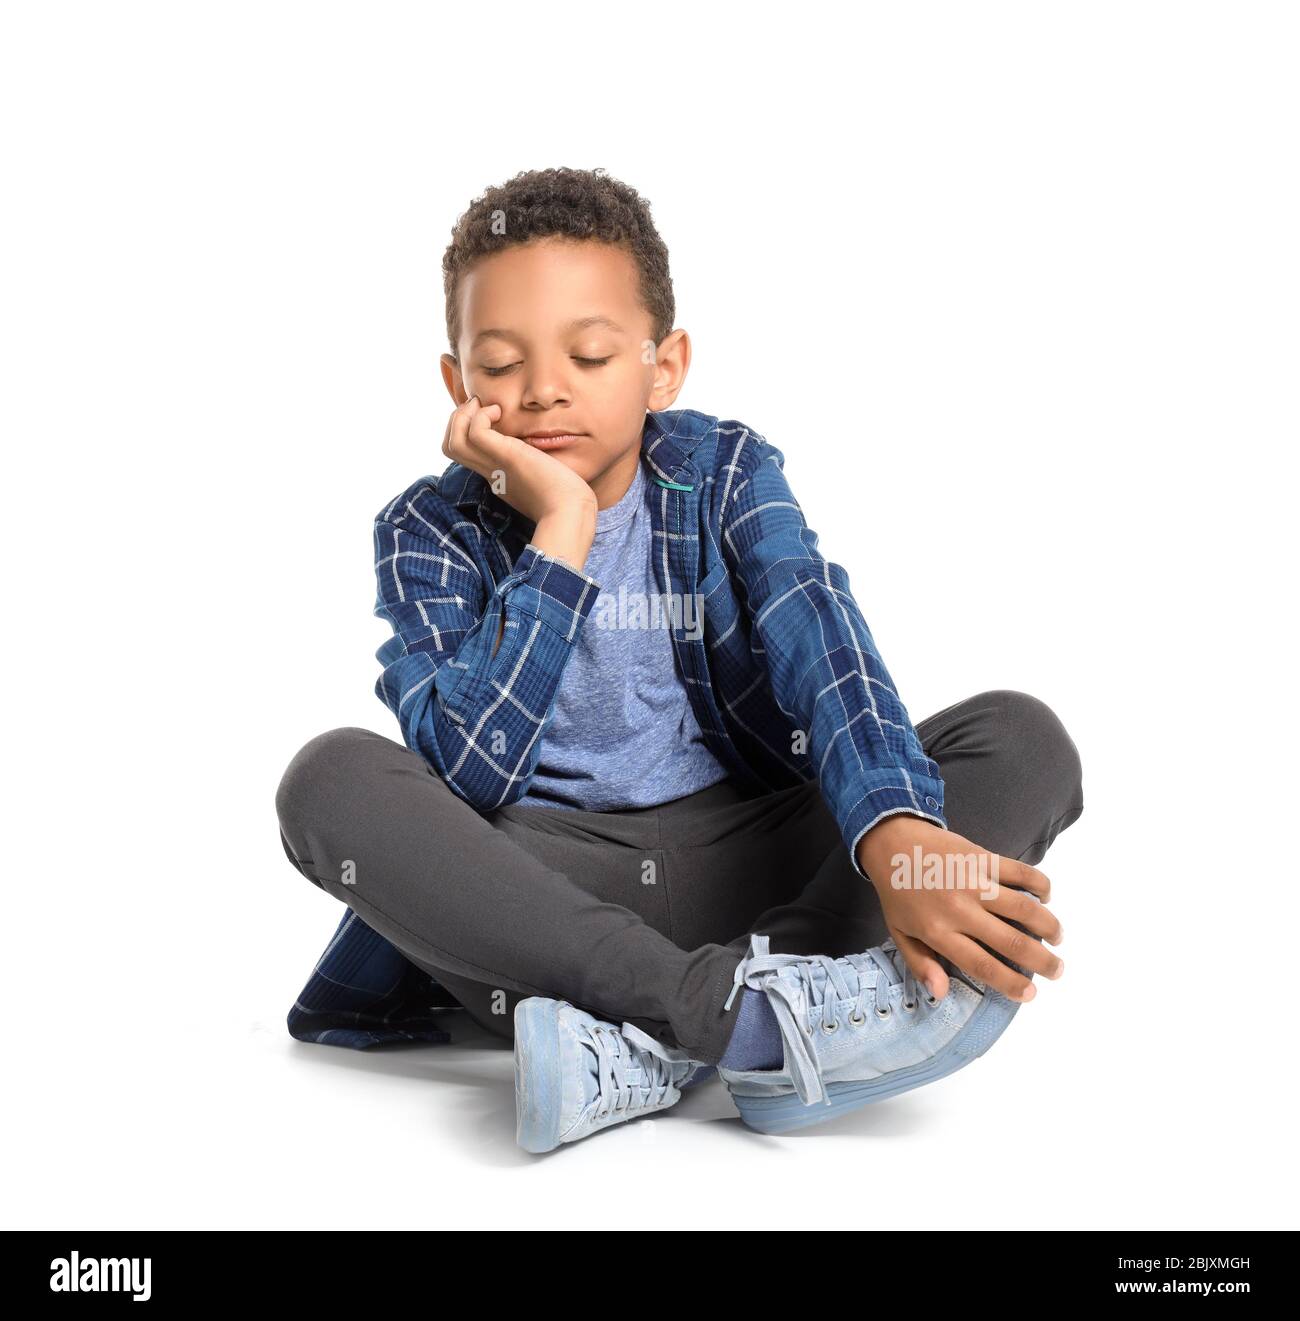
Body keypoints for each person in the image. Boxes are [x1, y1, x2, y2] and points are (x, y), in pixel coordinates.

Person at [275, 166, 1084, 1152]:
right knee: (328, 778)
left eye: (589, 354)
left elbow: (815, 629)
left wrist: (894, 835)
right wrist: (562, 529)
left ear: (663, 368)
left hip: (750, 864)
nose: (543, 389)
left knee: (1021, 737)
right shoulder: (425, 530)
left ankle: (667, 1039)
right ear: (458, 387)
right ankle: (750, 1025)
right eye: (500, 364)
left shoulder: (723, 470)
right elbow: (468, 773)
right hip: (548, 898)